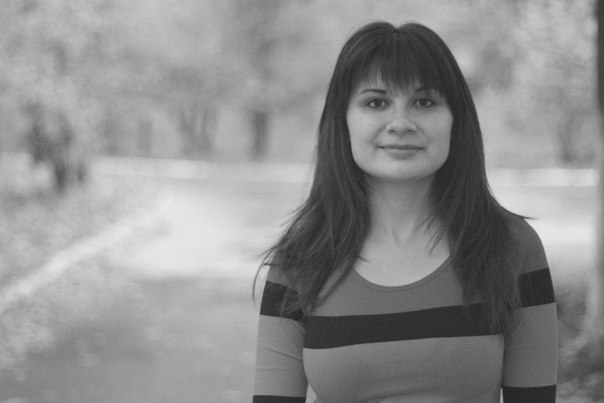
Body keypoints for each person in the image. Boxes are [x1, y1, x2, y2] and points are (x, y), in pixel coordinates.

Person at [253, 21, 557, 403]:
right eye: (376, 103)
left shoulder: (511, 247)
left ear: (456, 119)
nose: (400, 124)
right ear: (342, 120)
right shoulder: (301, 258)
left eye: (424, 102)